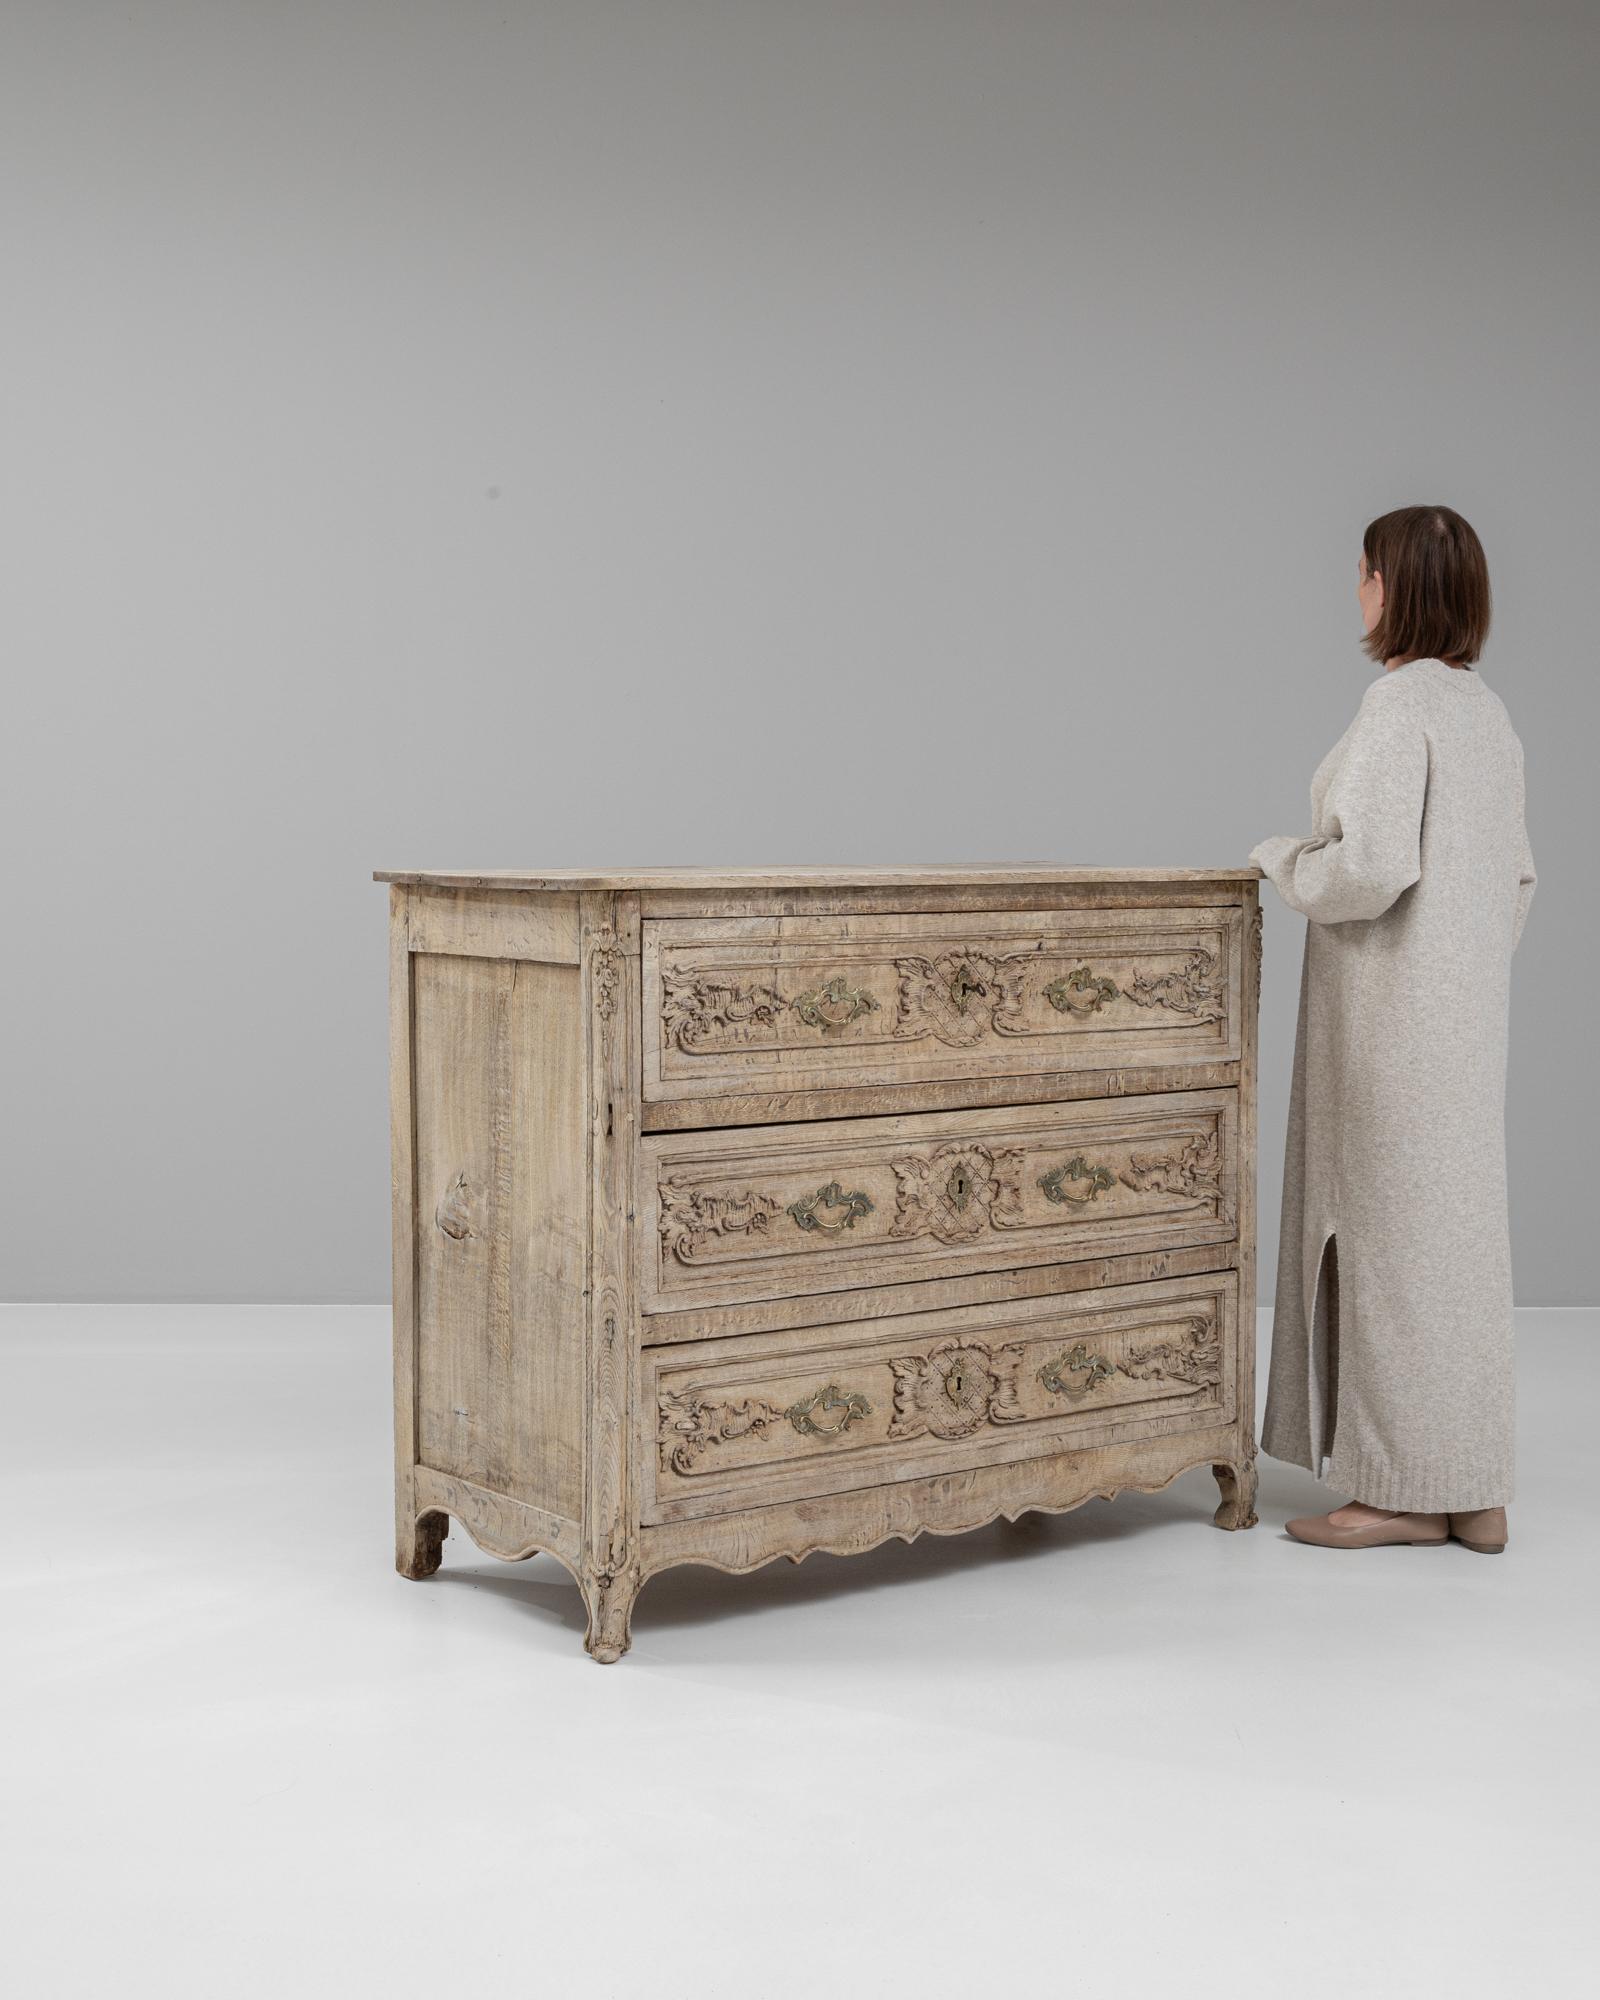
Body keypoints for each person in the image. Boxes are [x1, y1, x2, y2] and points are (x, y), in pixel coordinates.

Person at [1247, 506, 1537, 1553]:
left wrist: (1282, 859)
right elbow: (1515, 879)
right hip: (1464, 1026)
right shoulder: (1486, 716)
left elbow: (1366, 868)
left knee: (1380, 1251)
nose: (1353, 590)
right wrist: (1460, 975)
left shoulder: (1395, 707)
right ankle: (1474, 1489)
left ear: (1393, 587)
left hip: (1388, 1028)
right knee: (1454, 1250)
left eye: (1362, 573)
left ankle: (1396, 1493)